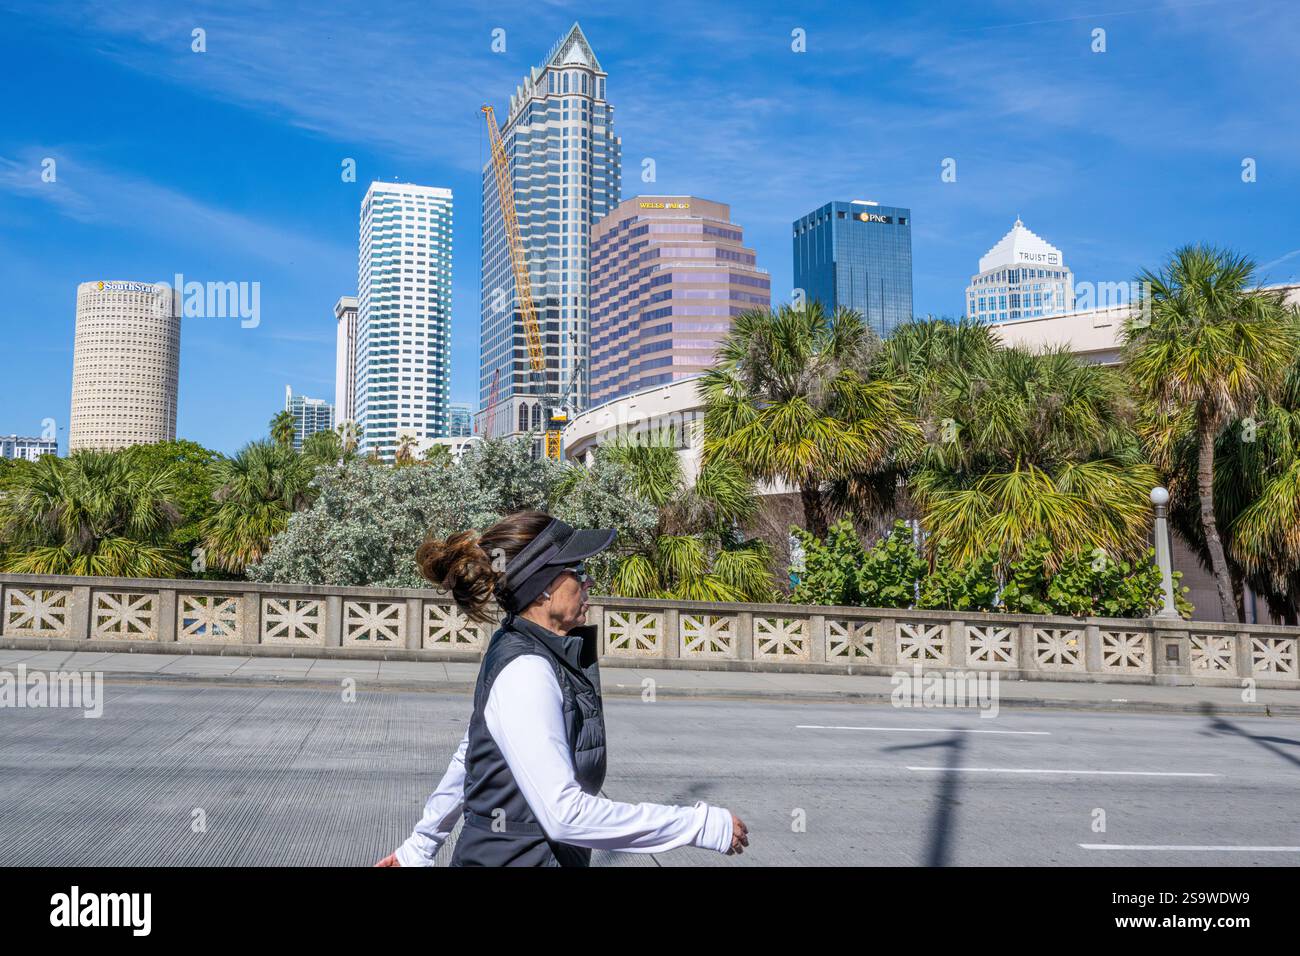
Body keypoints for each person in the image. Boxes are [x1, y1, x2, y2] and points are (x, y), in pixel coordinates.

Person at [375, 510, 749, 867]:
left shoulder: (530, 648)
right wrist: (699, 825)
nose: (589, 582)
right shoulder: (527, 669)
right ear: (541, 590)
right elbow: (565, 816)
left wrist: (419, 847)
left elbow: (469, 754)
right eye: (579, 571)